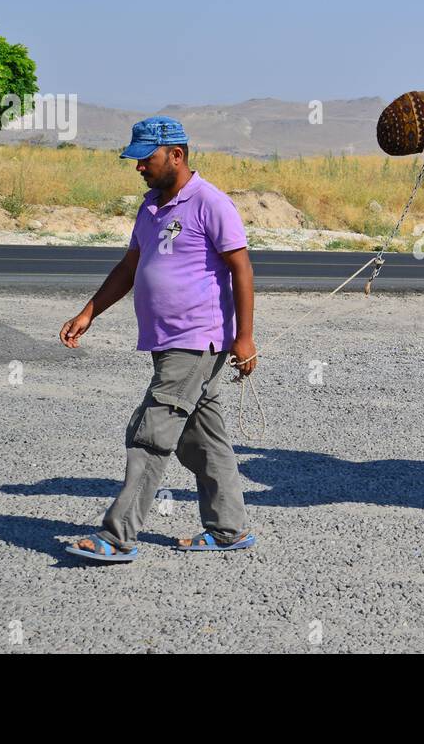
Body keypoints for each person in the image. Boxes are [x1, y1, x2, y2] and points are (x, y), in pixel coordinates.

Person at [59, 116, 258, 563]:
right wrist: (90, 311)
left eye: (145, 159)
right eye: (135, 160)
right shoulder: (150, 207)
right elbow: (131, 266)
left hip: (197, 340)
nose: (138, 168)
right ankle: (229, 529)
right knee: (202, 440)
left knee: (150, 433)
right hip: (165, 341)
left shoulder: (210, 202)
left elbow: (241, 270)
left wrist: (244, 337)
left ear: (176, 155)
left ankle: (117, 535)